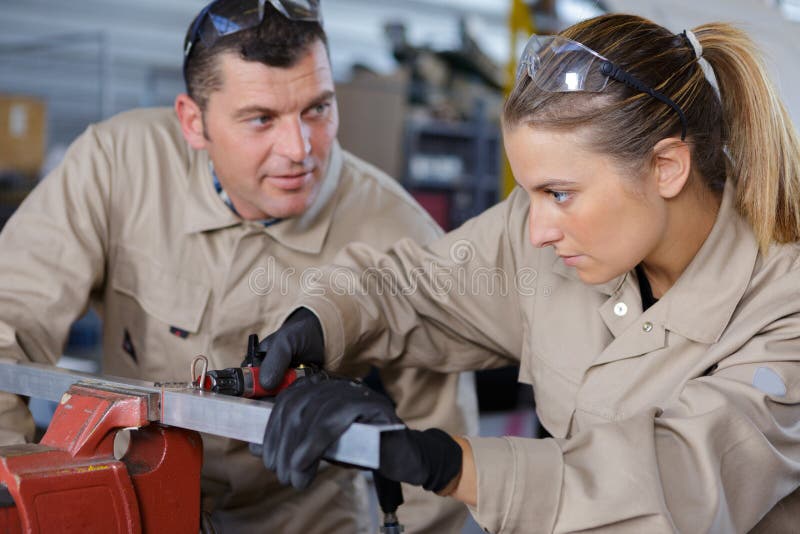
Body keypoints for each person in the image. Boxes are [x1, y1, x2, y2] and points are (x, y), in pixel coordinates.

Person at [252, 13, 800, 533]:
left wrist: (442, 461)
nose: (536, 232)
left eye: (559, 193)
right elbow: (417, 288)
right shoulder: (551, 233)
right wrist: (322, 320)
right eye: (530, 193)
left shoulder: (783, 310)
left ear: (666, 167)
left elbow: (679, 481)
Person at [0, 1, 479, 532]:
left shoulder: (399, 232)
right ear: (194, 121)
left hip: (302, 519)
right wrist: (20, 493)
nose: (299, 149)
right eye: (261, 119)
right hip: (136, 506)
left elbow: (440, 443)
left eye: (317, 109)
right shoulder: (115, 164)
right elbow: (6, 323)